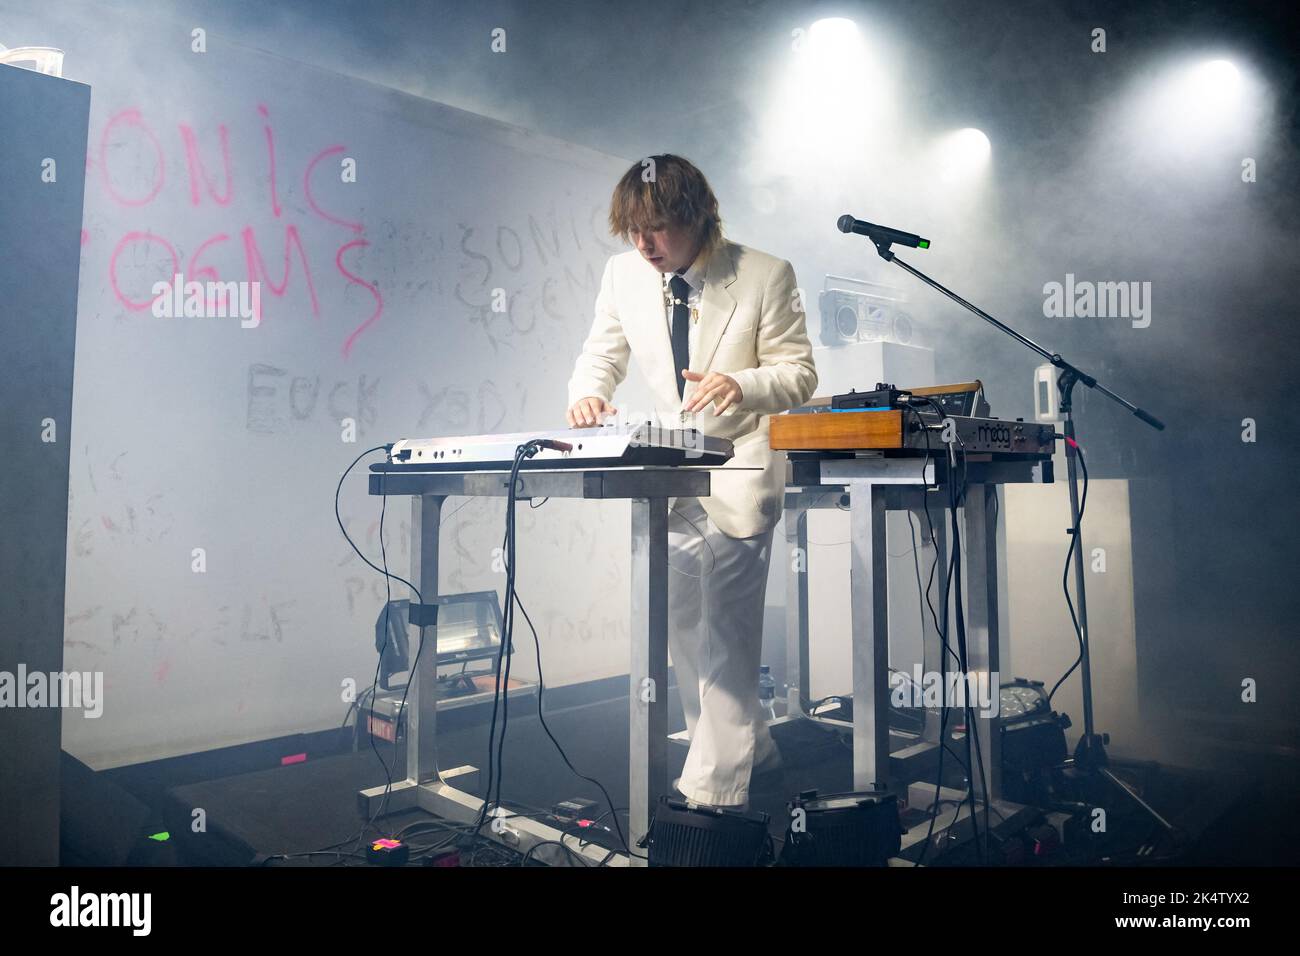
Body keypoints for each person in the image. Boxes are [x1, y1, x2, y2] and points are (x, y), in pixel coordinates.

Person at [566, 154, 817, 808]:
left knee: (727, 629)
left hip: (742, 467)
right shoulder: (624, 275)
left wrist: (744, 382)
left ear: (698, 215)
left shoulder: (767, 274)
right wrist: (587, 396)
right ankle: (750, 748)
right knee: (685, 627)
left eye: (657, 228)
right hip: (672, 476)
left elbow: (799, 374)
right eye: (633, 230)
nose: (644, 244)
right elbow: (602, 354)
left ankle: (713, 794)